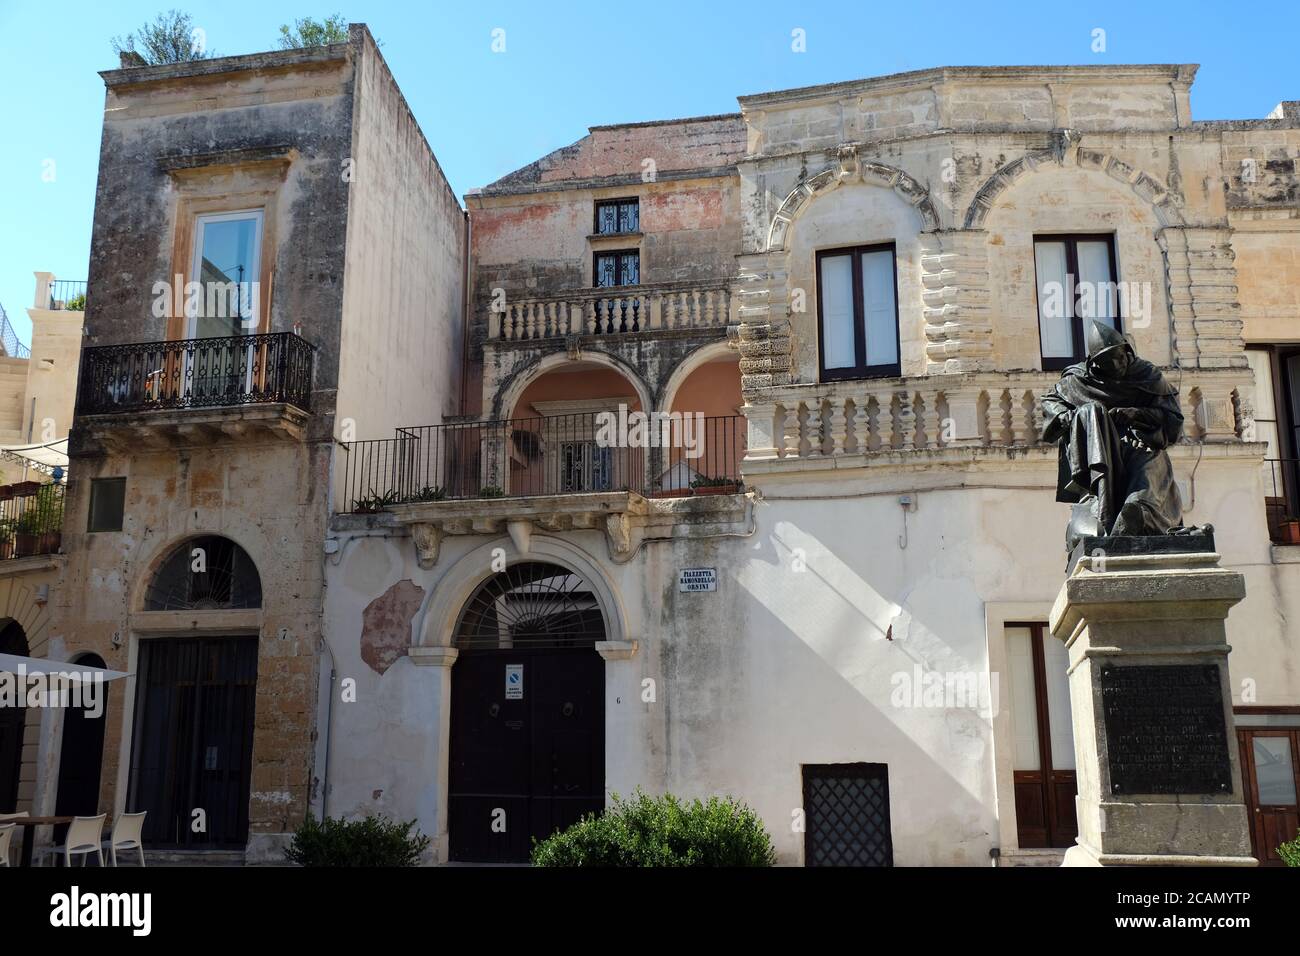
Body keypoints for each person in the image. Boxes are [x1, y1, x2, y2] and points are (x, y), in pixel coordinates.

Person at [1041, 321, 1184, 550]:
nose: (1117, 364)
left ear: (1127, 351)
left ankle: (1135, 518)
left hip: (1141, 444)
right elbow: (1051, 402)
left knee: (1145, 484)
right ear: (1095, 364)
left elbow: (1172, 419)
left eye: (1119, 356)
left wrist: (1136, 413)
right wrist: (1064, 416)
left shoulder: (1146, 374)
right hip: (1100, 448)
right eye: (1108, 362)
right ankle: (1111, 517)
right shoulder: (1080, 379)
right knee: (1091, 411)